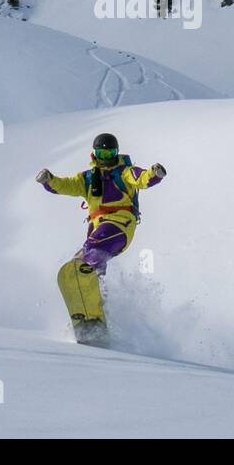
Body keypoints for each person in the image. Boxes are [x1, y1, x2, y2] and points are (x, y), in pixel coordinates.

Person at [35, 132, 166, 344]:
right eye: (102, 152)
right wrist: (49, 180)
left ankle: (92, 277)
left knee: (93, 250)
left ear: (116, 152)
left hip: (120, 224)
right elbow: (65, 185)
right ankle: (94, 308)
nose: (106, 157)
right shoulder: (87, 178)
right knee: (79, 261)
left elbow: (141, 178)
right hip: (98, 230)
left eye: (110, 152)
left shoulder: (124, 172)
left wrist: (154, 173)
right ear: (94, 153)